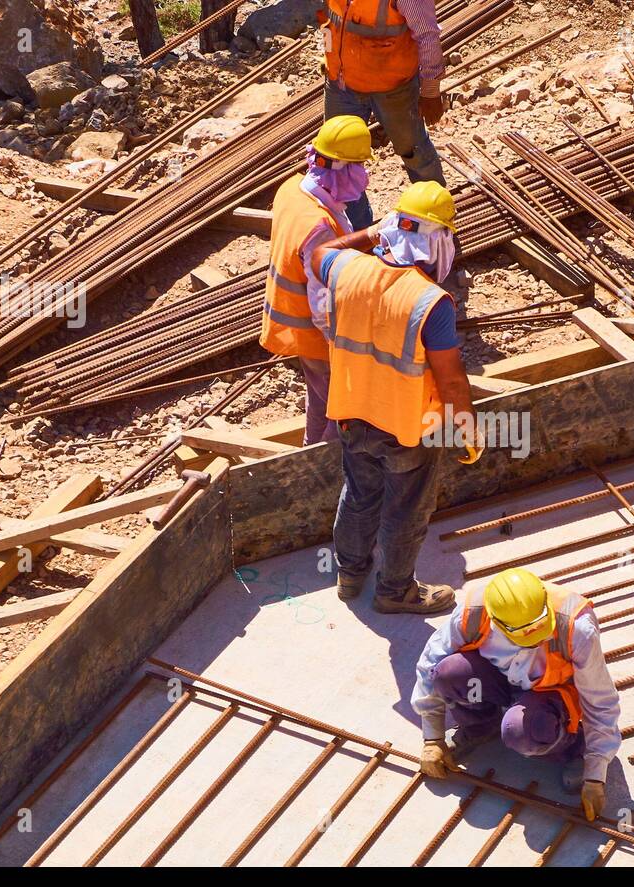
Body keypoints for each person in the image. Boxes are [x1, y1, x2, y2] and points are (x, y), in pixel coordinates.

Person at [310, 181, 480, 614]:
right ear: (439, 241)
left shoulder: (347, 269)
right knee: (406, 510)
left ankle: (350, 575)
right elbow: (452, 383)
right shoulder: (430, 302)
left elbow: (318, 252)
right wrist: (466, 432)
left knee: (359, 496)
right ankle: (394, 590)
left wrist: (370, 235)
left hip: (351, 415)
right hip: (408, 429)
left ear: (393, 227)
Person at [412, 568, 620, 822]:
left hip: (551, 696)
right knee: (449, 673)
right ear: (498, 622)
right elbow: (429, 666)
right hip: (500, 680)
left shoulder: (576, 628)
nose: (535, 635)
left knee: (520, 731)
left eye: (539, 624)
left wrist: (596, 771)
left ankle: (574, 748)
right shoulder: (474, 612)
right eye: (525, 633)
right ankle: (481, 727)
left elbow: (600, 700)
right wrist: (432, 738)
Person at [263, 116, 372, 445]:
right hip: (318, 333)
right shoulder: (319, 227)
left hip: (295, 319)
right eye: (358, 166)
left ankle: (311, 449)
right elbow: (323, 302)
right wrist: (345, 346)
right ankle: (326, 464)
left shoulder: (291, 189)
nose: (363, 174)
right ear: (344, 168)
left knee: (321, 398)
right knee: (340, 407)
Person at [319, 0, 449, 230]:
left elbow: (427, 35)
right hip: (342, 82)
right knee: (337, 160)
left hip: (394, 89)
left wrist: (430, 91)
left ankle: (435, 220)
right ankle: (356, 232)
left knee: (414, 152)